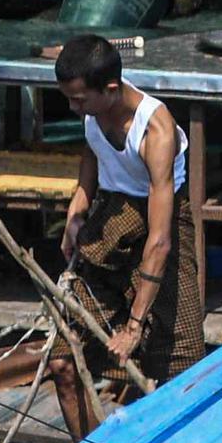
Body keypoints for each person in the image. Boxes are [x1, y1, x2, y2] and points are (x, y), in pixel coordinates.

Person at [51, 34, 190, 381]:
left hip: (160, 225)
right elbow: (91, 153)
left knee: (177, 368)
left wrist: (133, 326)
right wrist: (76, 212)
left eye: (79, 100)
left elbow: (160, 241)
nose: (72, 108)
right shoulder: (92, 109)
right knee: (63, 361)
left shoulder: (155, 131)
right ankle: (91, 438)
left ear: (111, 88)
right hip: (109, 222)